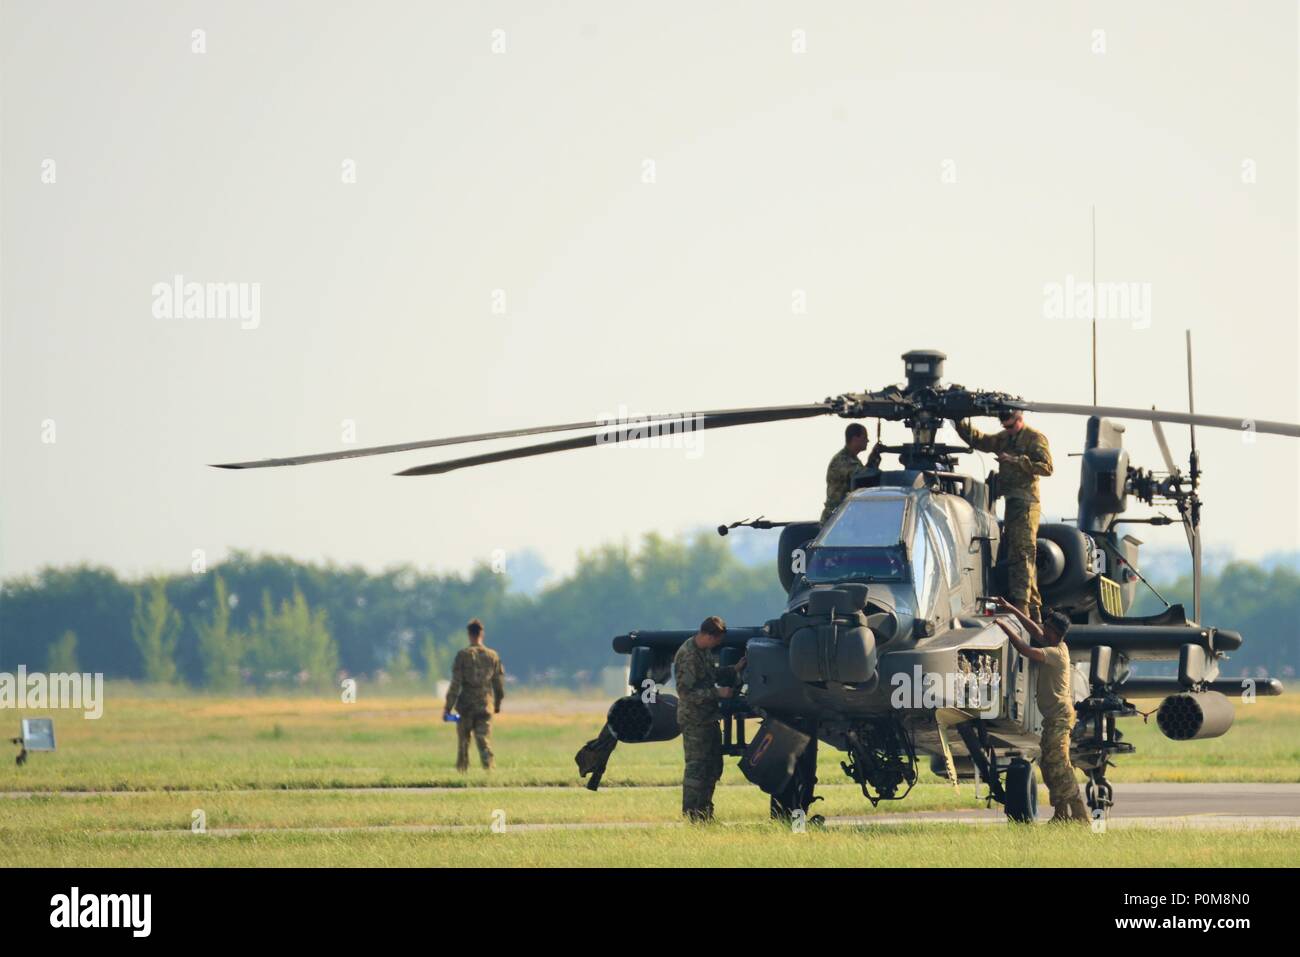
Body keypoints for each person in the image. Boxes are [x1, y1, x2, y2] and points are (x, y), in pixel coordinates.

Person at [991, 598, 1088, 824]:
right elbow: (1034, 630)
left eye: (1047, 628)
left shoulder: (1056, 653)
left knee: (1059, 764)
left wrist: (1004, 627)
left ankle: (1079, 813)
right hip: (1053, 718)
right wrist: (1012, 609)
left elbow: (1025, 649)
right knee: (1047, 763)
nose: (1042, 630)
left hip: (1060, 717)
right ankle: (1062, 813)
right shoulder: (1055, 644)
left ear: (1054, 633)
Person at [952, 410, 1052, 621]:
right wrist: (959, 421)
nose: (1006, 430)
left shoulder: (1035, 438)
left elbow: (1047, 467)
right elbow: (980, 441)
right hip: (1011, 501)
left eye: (1010, 426)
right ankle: (1033, 612)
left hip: (1026, 503)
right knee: (1018, 552)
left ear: (1019, 419)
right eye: (1004, 427)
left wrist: (1016, 460)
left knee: (1022, 552)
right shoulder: (1004, 438)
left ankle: (1022, 605)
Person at [672, 616, 745, 821]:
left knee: (712, 767)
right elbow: (686, 693)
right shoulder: (688, 655)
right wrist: (718, 694)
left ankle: (704, 814)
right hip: (695, 720)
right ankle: (692, 815)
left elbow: (711, 674)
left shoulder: (702, 651)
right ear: (707, 636)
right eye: (717, 641)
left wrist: (734, 669)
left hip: (708, 718)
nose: (718, 645)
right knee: (697, 768)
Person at [443, 618, 506, 772]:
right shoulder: (493, 656)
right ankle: (489, 772)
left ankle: (462, 774)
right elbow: (499, 685)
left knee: (464, 744)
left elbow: (455, 685)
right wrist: (497, 705)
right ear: (481, 634)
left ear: (469, 635)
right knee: (484, 741)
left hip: (465, 707)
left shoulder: (462, 656)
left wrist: (448, 708)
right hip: (485, 707)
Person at [821, 423, 884, 523]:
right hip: (835, 521)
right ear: (855, 439)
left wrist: (872, 460)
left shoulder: (851, 459)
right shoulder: (842, 460)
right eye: (865, 437)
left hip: (844, 517)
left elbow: (863, 481)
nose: (867, 441)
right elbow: (863, 475)